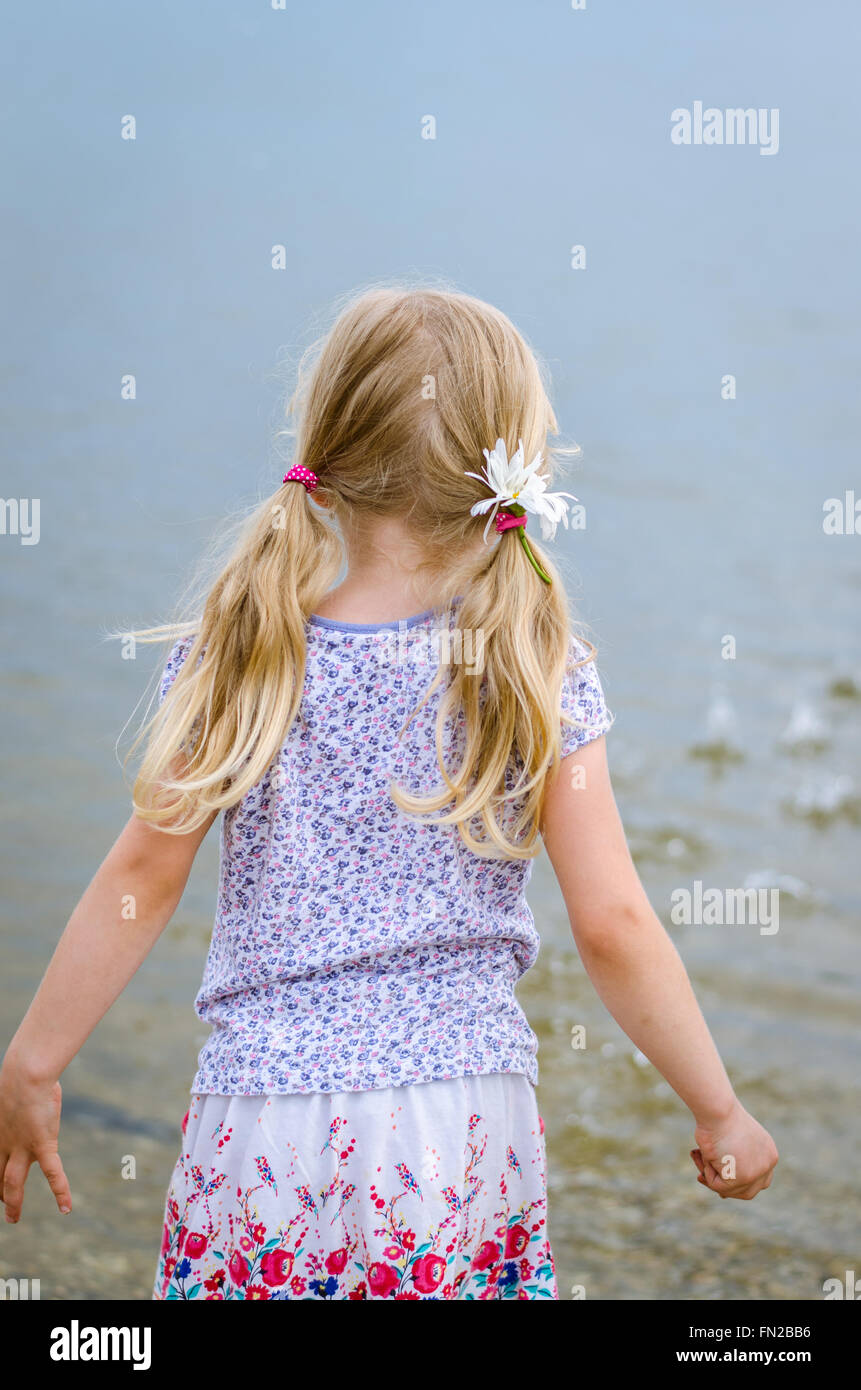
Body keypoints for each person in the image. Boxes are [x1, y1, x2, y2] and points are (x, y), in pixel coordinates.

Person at [0, 286, 778, 1300]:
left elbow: (141, 873)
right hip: (454, 1123)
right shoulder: (533, 664)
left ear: (329, 456)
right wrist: (718, 1107)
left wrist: (33, 1059)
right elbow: (616, 923)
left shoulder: (242, 648)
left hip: (265, 1115)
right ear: (510, 476)